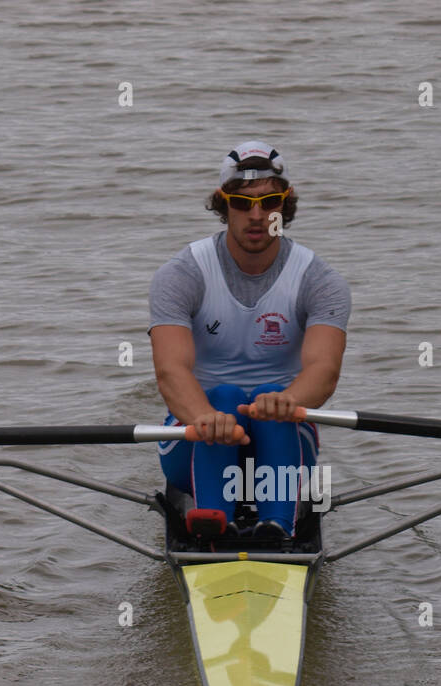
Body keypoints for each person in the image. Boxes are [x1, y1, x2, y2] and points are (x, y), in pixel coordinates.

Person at [149, 140, 350, 540]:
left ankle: (276, 527)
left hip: (281, 435)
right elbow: (171, 371)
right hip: (196, 436)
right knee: (223, 398)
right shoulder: (182, 274)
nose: (256, 215)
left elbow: (323, 372)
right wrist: (204, 417)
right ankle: (212, 523)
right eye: (242, 203)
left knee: (269, 401)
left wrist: (288, 401)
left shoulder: (320, 280)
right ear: (224, 206)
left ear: (285, 204)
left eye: (270, 202)